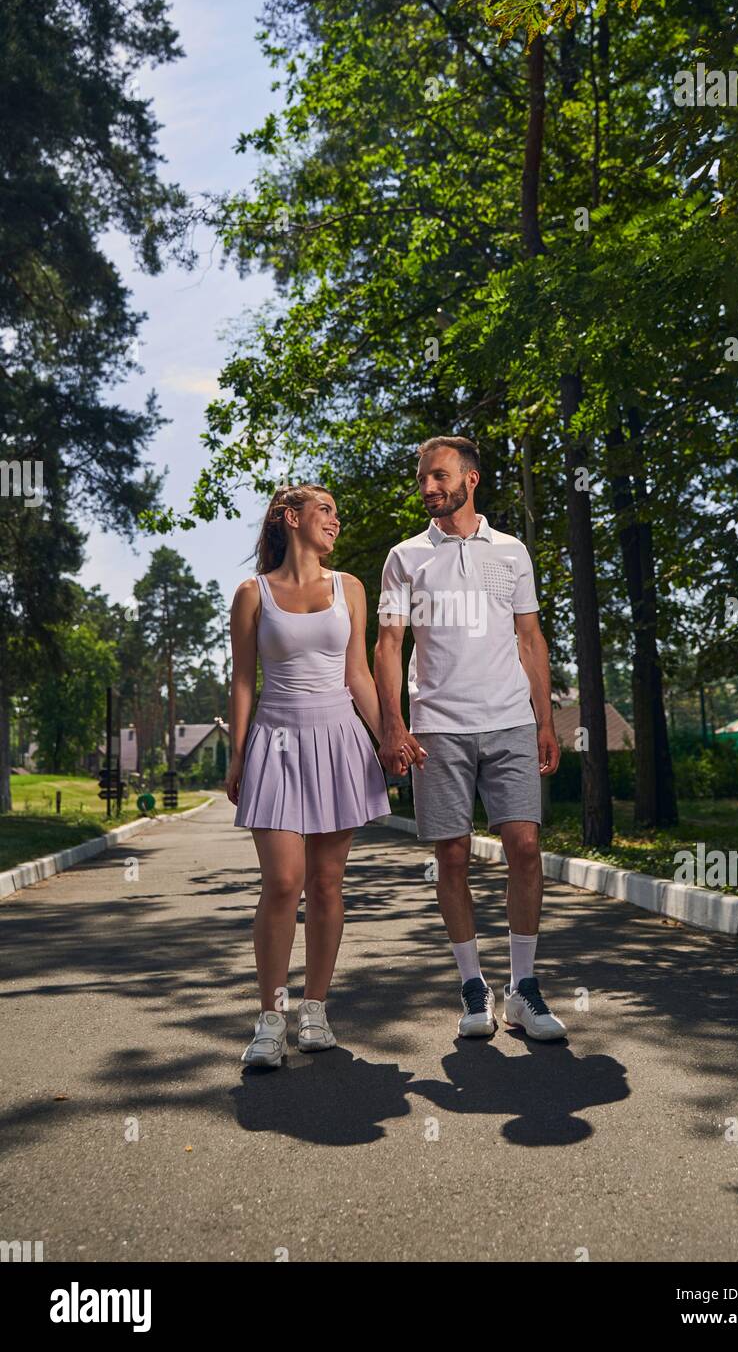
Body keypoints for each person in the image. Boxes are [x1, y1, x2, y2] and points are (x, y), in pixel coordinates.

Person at [375, 436, 567, 1041]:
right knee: (452, 856)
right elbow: (388, 645)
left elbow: (530, 638)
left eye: (438, 477)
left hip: (509, 718)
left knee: (525, 847)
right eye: (423, 479)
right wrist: (393, 723)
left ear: (470, 479)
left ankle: (525, 988)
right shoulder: (405, 557)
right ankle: (472, 986)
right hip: (437, 726)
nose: (428, 488)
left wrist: (545, 719)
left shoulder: (510, 553)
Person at [227, 483, 390, 1066]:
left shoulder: (349, 588)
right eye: (325, 510)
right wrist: (238, 752)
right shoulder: (253, 594)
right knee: (282, 882)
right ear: (289, 517)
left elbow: (358, 675)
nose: (335, 521)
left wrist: (390, 734)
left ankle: (315, 1009)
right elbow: (243, 680)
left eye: (337, 513)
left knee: (326, 884)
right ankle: (271, 1018)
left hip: (338, 739)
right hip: (275, 742)